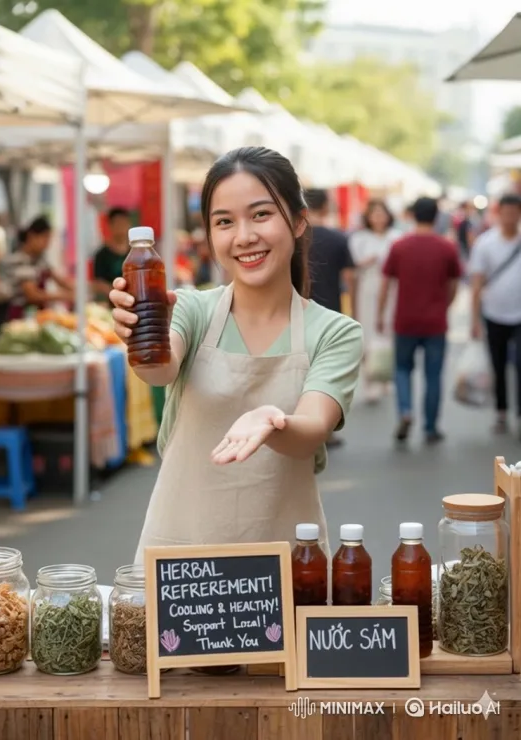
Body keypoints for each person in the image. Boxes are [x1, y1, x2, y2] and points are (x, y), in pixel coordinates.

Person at [110, 147, 363, 560]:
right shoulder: (192, 310)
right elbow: (159, 370)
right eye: (224, 222)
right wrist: (140, 334)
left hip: (285, 565)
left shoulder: (335, 333)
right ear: (209, 236)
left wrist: (270, 420)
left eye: (261, 214)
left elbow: (311, 432)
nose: (244, 236)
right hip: (181, 560)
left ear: (299, 221)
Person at [377, 197, 462, 443]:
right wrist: (445, 305)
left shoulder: (400, 246)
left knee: (402, 369)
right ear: (437, 217)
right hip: (435, 322)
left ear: (413, 215)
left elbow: (386, 284)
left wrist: (381, 315)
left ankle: (405, 411)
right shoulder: (447, 247)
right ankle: (430, 427)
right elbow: (454, 284)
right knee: (433, 375)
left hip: (405, 320)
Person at [305, 188, 357, 447]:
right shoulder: (339, 238)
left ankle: (302, 423)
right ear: (326, 207)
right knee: (328, 373)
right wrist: (354, 311)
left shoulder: (294, 238)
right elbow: (349, 278)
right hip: (331, 313)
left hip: (298, 311)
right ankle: (326, 429)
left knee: (301, 367)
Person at [469, 193, 521, 437]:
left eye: (515, 212)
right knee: (498, 365)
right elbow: (477, 283)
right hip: (494, 313)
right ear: (499, 214)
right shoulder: (485, 243)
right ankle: (501, 411)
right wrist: (474, 319)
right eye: (506, 212)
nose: (510, 217)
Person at [349, 199, 402, 402]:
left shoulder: (396, 238)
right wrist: (365, 262)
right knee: (367, 334)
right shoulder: (359, 238)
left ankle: (386, 376)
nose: (379, 218)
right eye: (374, 214)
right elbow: (352, 267)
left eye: (382, 213)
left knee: (389, 332)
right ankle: (370, 381)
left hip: (393, 292)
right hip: (367, 290)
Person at [0, 216, 74, 320]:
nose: (47, 243)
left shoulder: (40, 259)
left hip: (37, 315)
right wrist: (65, 296)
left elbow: (61, 281)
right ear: (31, 236)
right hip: (20, 317)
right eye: (45, 237)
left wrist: (82, 290)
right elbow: (32, 295)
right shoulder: (19, 260)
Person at [92, 207, 132, 299]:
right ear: (110, 225)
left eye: (123, 223)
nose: (121, 227)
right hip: (110, 300)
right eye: (117, 223)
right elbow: (99, 283)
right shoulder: (101, 254)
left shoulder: (135, 252)